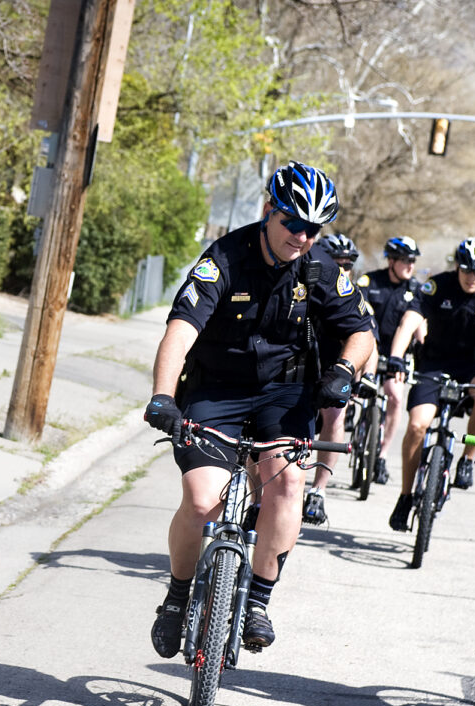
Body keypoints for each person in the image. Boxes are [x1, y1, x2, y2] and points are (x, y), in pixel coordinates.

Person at [143, 161, 375, 655]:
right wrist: (163, 396)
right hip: (216, 389)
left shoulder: (319, 268)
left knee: (288, 483)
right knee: (203, 500)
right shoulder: (225, 257)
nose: (303, 236)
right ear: (268, 210)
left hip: (285, 394)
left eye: (314, 228)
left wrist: (342, 371)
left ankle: (259, 600)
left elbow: (359, 331)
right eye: (293, 223)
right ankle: (178, 597)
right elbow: (180, 331)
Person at [386, 236, 475, 531]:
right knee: (418, 426)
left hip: (473, 364)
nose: (472, 278)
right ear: (457, 266)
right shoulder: (436, 285)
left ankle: (467, 459)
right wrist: (395, 356)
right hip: (434, 363)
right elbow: (409, 320)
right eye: (466, 270)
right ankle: (406, 496)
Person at [354, 236, 424, 487]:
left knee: (394, 396)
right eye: (405, 260)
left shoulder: (415, 289)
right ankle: (354, 417)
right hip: (368, 348)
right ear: (391, 260)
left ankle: (381, 455)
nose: (410, 265)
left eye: (413, 260)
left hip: (397, 356)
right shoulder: (370, 282)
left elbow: (419, 325)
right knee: (358, 390)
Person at [303, 233, 361, 525]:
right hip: (295, 366)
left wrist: (354, 373)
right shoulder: (306, 282)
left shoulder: (353, 294)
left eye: (348, 265)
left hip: (333, 367)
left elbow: (366, 339)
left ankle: (318, 491)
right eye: (337, 264)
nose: (343, 270)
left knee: (335, 415)